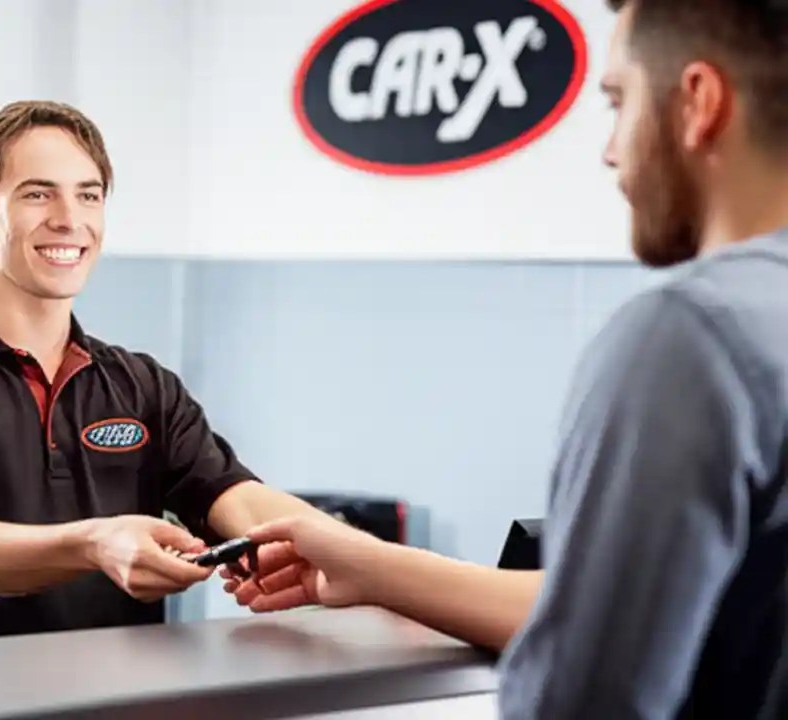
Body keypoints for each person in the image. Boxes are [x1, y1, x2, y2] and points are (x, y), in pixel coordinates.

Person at [225, 0, 788, 716]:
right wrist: (371, 565)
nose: (610, 150)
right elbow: (613, 605)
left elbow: (588, 696)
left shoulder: (689, 337)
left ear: (698, 103)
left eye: (618, 102)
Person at [0, 99, 326, 645]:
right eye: (37, 193)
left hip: (121, 696)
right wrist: (96, 545)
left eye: (88, 195)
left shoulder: (143, 385)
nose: (68, 218)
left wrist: (371, 562)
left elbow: (240, 502)